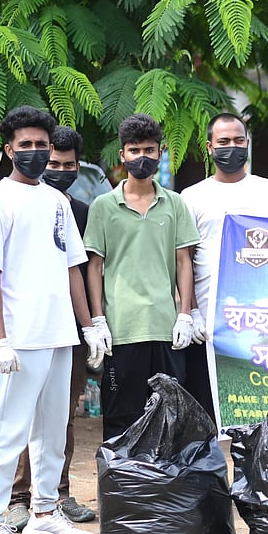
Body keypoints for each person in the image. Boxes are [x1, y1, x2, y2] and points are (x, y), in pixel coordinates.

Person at [0, 106, 104, 534]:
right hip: (20, 336)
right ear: (8, 150)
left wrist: (90, 326)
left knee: (50, 429)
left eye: (40, 144)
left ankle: (45, 512)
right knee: (8, 430)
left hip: (59, 333)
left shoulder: (58, 202)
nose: (33, 152)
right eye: (24, 145)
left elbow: (73, 270)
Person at [84, 113, 199, 440]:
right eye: (134, 151)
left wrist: (185, 315)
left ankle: (162, 488)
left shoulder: (175, 204)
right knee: (121, 416)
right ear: (122, 155)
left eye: (149, 150)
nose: (142, 158)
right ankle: (121, 488)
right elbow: (94, 265)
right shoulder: (103, 206)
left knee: (169, 416)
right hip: (121, 331)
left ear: (160, 153)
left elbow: (183, 261)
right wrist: (98, 320)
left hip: (166, 328)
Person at [6, 126, 96, 531]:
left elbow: (81, 271)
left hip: (68, 329)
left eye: (67, 164)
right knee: (23, 415)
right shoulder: (14, 203)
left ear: (78, 166)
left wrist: (91, 325)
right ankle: (17, 499)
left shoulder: (78, 211)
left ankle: (57, 495)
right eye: (53, 162)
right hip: (27, 327)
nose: (58, 169)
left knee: (63, 416)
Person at [179, 112, 268, 422]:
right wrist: (191, 312)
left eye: (238, 141)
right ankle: (209, 472)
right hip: (208, 326)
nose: (232, 147)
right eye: (224, 141)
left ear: (248, 144)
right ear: (210, 147)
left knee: (258, 415)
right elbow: (182, 259)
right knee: (205, 414)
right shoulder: (192, 197)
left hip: (260, 323)